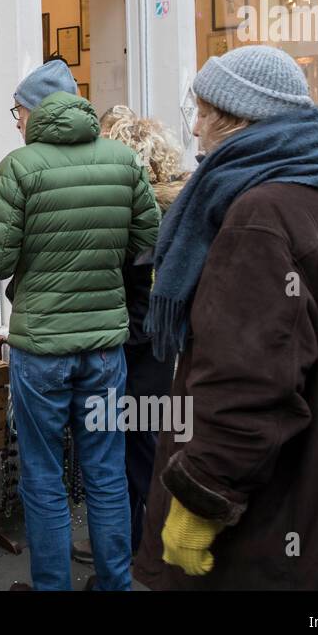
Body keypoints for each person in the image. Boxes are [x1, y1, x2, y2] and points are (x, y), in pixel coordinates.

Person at [133, 46, 318, 590]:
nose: (194, 131)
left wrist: (199, 501)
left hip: (268, 511)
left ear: (232, 117)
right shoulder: (313, 191)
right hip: (307, 480)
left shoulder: (258, 212)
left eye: (202, 112)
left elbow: (250, 382)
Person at [0, 61, 160, 590]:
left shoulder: (19, 167)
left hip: (42, 348)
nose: (15, 121)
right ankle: (114, 584)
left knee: (42, 474)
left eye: (17, 111)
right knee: (106, 470)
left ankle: (53, 585)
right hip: (106, 347)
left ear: (34, 109)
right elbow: (147, 239)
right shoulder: (124, 161)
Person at [98, 106, 187, 557]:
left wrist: (114, 333)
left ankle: (150, 555)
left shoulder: (142, 215)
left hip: (139, 354)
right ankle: (136, 547)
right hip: (164, 352)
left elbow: (141, 296)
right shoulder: (178, 207)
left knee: (141, 456)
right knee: (148, 450)